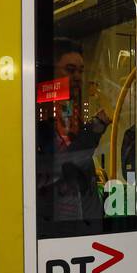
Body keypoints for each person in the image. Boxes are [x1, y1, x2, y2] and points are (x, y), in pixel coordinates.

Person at [35, 39, 111, 225]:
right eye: (70, 70)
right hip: (57, 228)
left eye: (80, 70)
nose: (77, 76)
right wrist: (94, 130)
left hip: (85, 227)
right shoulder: (38, 130)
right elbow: (66, 165)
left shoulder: (74, 121)